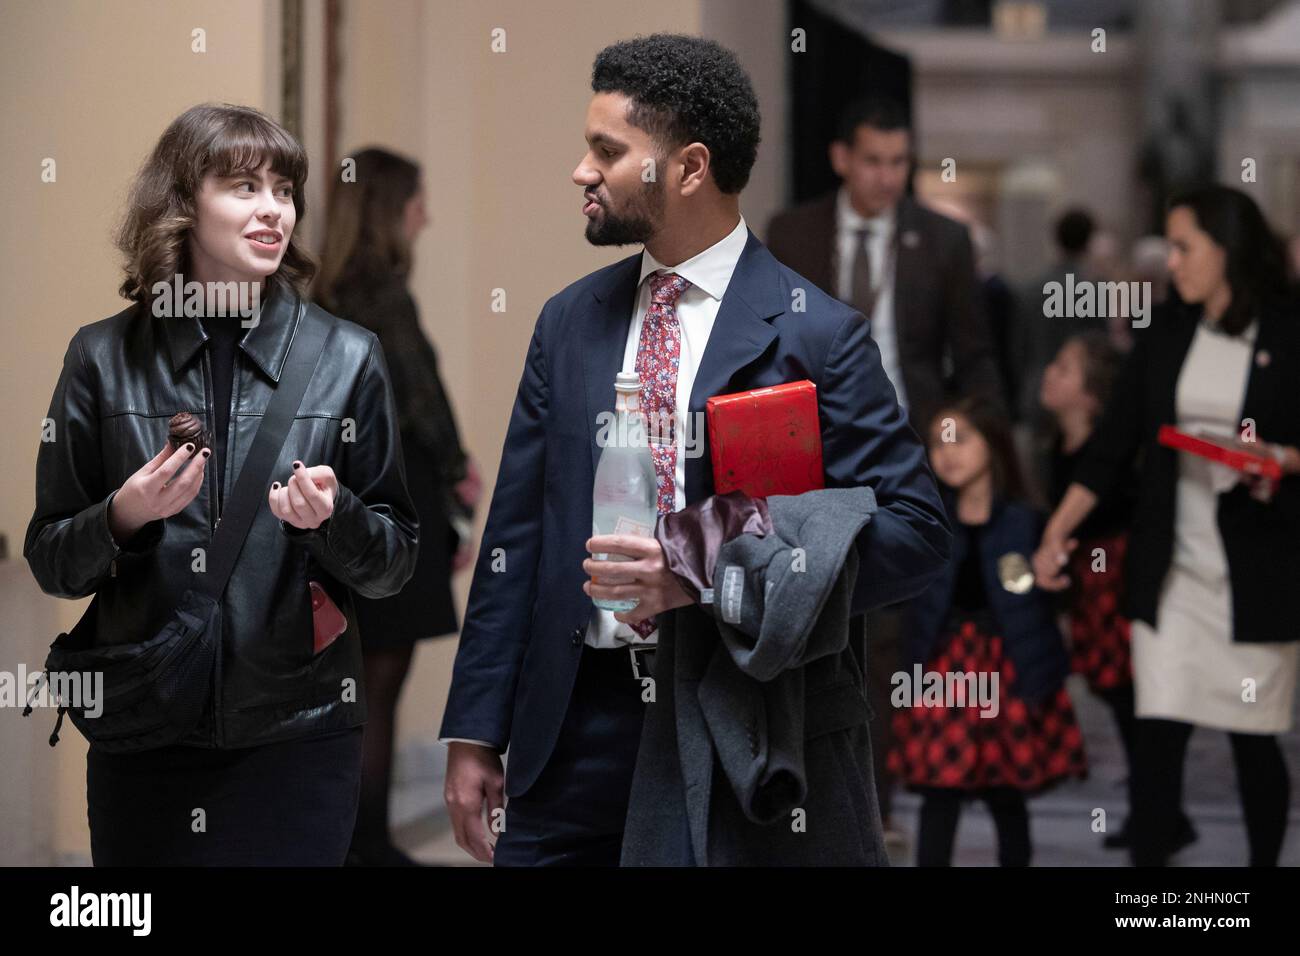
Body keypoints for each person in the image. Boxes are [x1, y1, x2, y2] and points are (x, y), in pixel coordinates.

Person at [439, 34, 950, 866]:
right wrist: (474, 728)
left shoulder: (819, 335)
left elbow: (917, 535)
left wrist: (707, 566)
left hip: (731, 718)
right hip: (569, 730)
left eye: (607, 150)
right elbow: (516, 538)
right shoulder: (568, 324)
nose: (581, 170)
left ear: (687, 169)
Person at [23, 103, 420, 866]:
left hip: (299, 733)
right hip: (147, 730)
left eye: (285, 189)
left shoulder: (348, 358)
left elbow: (396, 562)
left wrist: (333, 517)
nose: (273, 208)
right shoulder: (102, 358)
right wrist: (123, 514)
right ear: (182, 203)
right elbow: (51, 559)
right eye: (243, 186)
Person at [1034, 183, 1300, 867]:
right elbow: (1112, 446)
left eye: (1185, 247)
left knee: (1253, 739)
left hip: (1255, 569)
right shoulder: (1164, 330)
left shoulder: (1288, 328)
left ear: (1227, 249)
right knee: (1156, 738)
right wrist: (1057, 531)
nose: (1172, 261)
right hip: (1172, 570)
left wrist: (1278, 458)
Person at [314, 147, 480, 866]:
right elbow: (419, 404)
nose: (427, 216)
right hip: (396, 500)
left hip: (341, 502)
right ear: (392, 210)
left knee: (353, 683)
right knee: (380, 685)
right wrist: (457, 476)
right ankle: (368, 847)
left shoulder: (321, 296)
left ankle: (349, 842)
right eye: (418, 203)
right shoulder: (386, 297)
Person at [889, 397, 1087, 866]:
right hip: (945, 670)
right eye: (938, 442)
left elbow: (1058, 595)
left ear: (994, 445)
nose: (948, 451)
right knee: (941, 790)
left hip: (1007, 670)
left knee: (1006, 793)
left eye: (961, 438)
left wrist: (1059, 574)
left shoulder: (1027, 519)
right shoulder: (928, 520)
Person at [1039, 333, 1196, 852]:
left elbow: (1111, 507)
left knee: (1133, 697)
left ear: (1091, 395)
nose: (1050, 374)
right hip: (1090, 582)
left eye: (1065, 368)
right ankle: (1157, 810)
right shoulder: (1055, 446)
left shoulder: (1106, 455)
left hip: (1115, 581)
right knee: (1115, 693)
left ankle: (1159, 813)